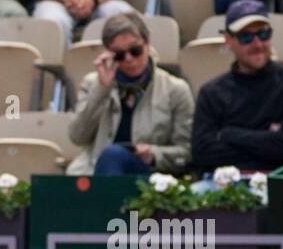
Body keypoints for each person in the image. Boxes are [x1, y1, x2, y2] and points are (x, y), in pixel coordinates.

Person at [192, 0, 283, 173]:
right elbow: (201, 153)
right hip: (221, 183)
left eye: (263, 34)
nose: (257, 44)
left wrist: (228, 134)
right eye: (246, 37)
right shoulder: (210, 92)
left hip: (276, 183)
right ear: (228, 40)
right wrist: (269, 140)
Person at [66, 12, 194, 175]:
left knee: (114, 154)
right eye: (119, 55)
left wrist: (154, 154)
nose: (129, 59)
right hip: (97, 171)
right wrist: (102, 91)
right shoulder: (93, 84)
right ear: (109, 54)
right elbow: (78, 137)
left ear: (147, 45)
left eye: (135, 51)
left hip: (149, 176)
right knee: (110, 156)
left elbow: (186, 152)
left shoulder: (175, 89)